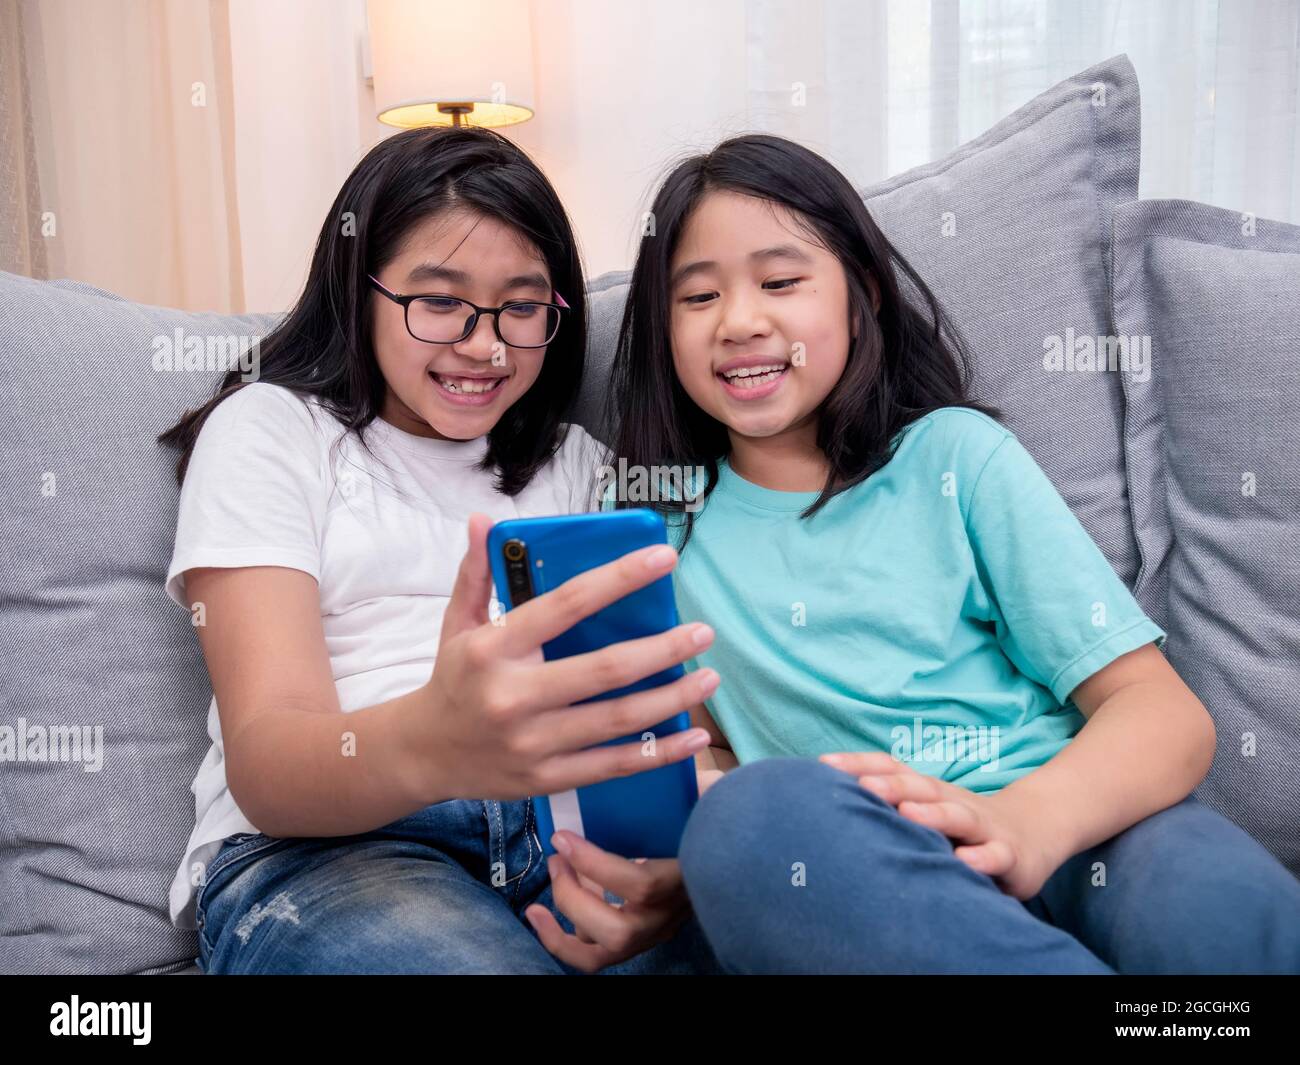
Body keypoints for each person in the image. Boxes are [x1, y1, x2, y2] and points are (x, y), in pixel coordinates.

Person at [605, 132, 1300, 974]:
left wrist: (1024, 824)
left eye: (782, 282)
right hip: (874, 877)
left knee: (1217, 906)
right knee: (744, 821)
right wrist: (702, 795)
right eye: (698, 297)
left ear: (860, 292)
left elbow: (1164, 716)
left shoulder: (952, 458)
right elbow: (704, 746)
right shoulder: (661, 538)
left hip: (1081, 824)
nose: (741, 321)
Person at [158, 125, 727, 974]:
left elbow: (685, 716)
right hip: (330, 853)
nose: (485, 343)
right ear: (361, 290)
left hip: (562, 843)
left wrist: (678, 864)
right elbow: (269, 762)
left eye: (522, 307)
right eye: (440, 301)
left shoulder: (586, 472)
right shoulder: (270, 431)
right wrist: (436, 739)